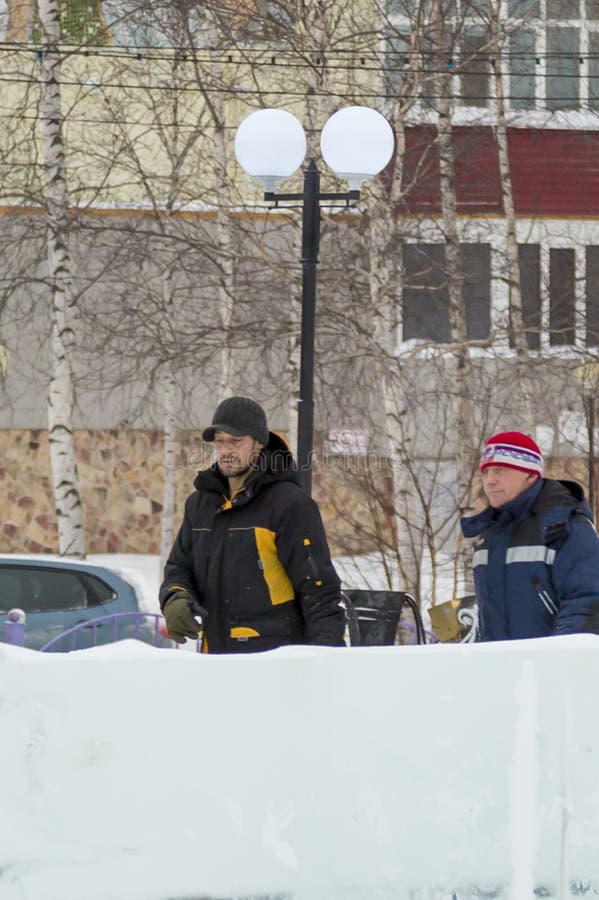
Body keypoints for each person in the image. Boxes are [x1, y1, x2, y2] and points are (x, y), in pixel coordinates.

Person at [159, 395, 346, 652]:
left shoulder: (289, 505)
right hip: (213, 659)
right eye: (220, 441)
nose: (226, 450)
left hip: (274, 664)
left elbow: (319, 592)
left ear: (259, 443)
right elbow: (179, 566)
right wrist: (175, 595)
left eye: (236, 441)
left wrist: (326, 662)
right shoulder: (200, 505)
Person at [461, 430, 599, 641]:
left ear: (530, 474)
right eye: (485, 472)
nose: (489, 481)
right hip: (499, 669)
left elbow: (587, 602)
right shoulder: (487, 535)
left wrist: (559, 659)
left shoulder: (566, 526)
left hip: (552, 668)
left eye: (500, 470)